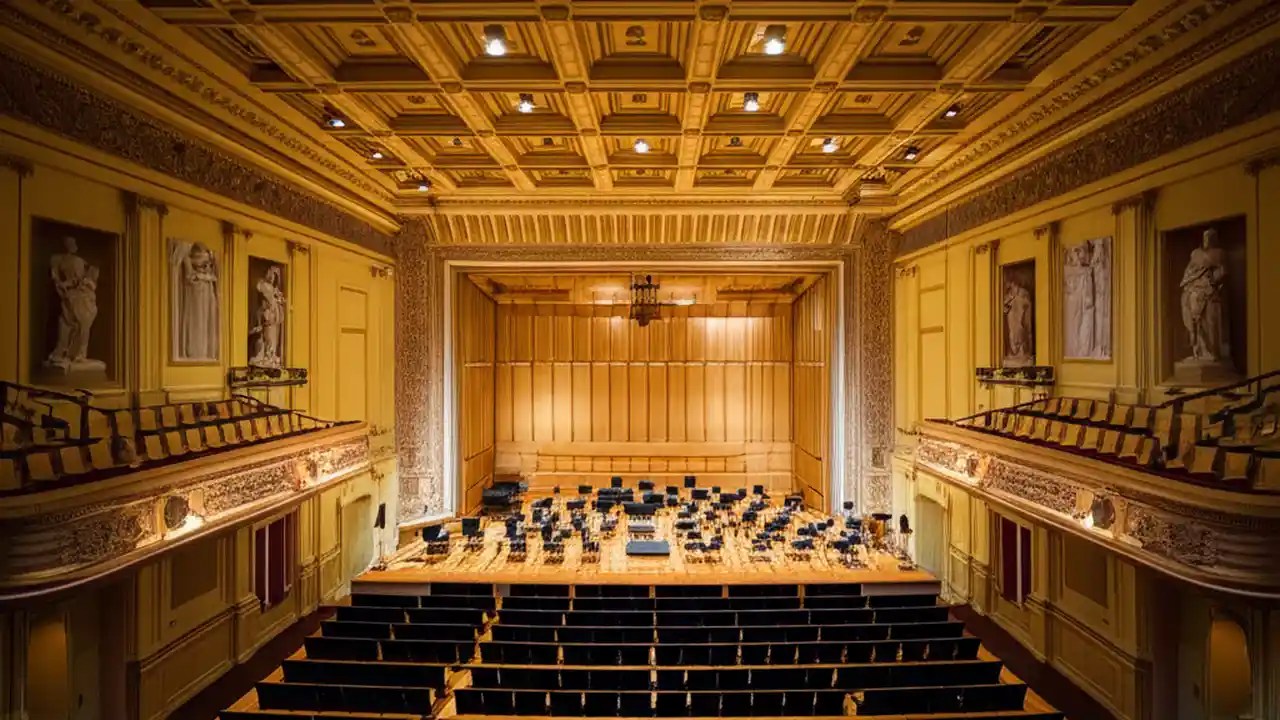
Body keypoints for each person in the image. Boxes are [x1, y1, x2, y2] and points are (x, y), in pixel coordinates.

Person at [1179, 228, 1230, 363]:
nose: (1207, 240)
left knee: (1211, 324)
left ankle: (1212, 352)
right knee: (1195, 324)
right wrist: (1191, 284)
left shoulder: (1220, 253)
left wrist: (1212, 281)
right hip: (1195, 292)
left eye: (1210, 237)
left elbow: (1223, 271)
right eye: (1205, 237)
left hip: (1211, 293)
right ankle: (1198, 351)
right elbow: (1189, 271)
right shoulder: (1196, 254)